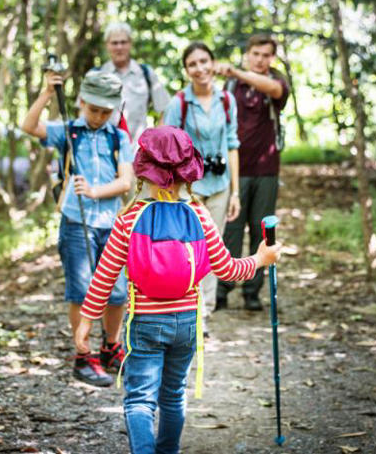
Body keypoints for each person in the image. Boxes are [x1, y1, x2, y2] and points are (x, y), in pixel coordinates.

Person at [74, 126, 282, 454]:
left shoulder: (128, 219)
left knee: (140, 400)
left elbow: (104, 276)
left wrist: (86, 321)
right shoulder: (199, 215)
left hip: (145, 323)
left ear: (143, 171)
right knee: (173, 395)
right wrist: (260, 258)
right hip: (187, 323)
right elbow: (228, 270)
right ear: (188, 174)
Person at [20, 69, 134, 387]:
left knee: (117, 291)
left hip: (111, 224)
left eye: (106, 111)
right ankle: (83, 356)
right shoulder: (69, 131)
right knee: (82, 291)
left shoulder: (118, 137)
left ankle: (111, 347)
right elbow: (28, 126)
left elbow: (126, 181)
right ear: (82, 102)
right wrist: (47, 93)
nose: (99, 117)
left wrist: (95, 191)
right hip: (76, 222)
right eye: (94, 109)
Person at [162, 42, 241, 321]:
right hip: (188, 187)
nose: (200, 68)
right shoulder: (179, 103)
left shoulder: (227, 101)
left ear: (213, 63)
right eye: (192, 64)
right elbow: (167, 147)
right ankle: (184, 306)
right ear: (186, 70)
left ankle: (204, 312)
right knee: (188, 246)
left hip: (220, 184)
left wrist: (236, 192)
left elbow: (232, 145)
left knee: (213, 247)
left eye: (204, 61)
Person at [214, 34, 290, 311]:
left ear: (272, 57)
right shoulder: (232, 85)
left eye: (265, 55)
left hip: (266, 169)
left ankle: (252, 291)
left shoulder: (276, 80)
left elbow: (275, 90)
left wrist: (235, 71)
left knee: (262, 228)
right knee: (231, 228)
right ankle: (223, 288)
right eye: (255, 54)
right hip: (235, 169)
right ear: (248, 54)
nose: (260, 60)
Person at [99, 22, 171, 148]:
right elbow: (83, 114)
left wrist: (156, 141)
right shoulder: (97, 75)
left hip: (138, 151)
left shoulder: (145, 73)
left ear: (130, 43)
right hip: (104, 150)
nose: (119, 47)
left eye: (123, 42)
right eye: (114, 43)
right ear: (107, 45)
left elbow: (166, 109)